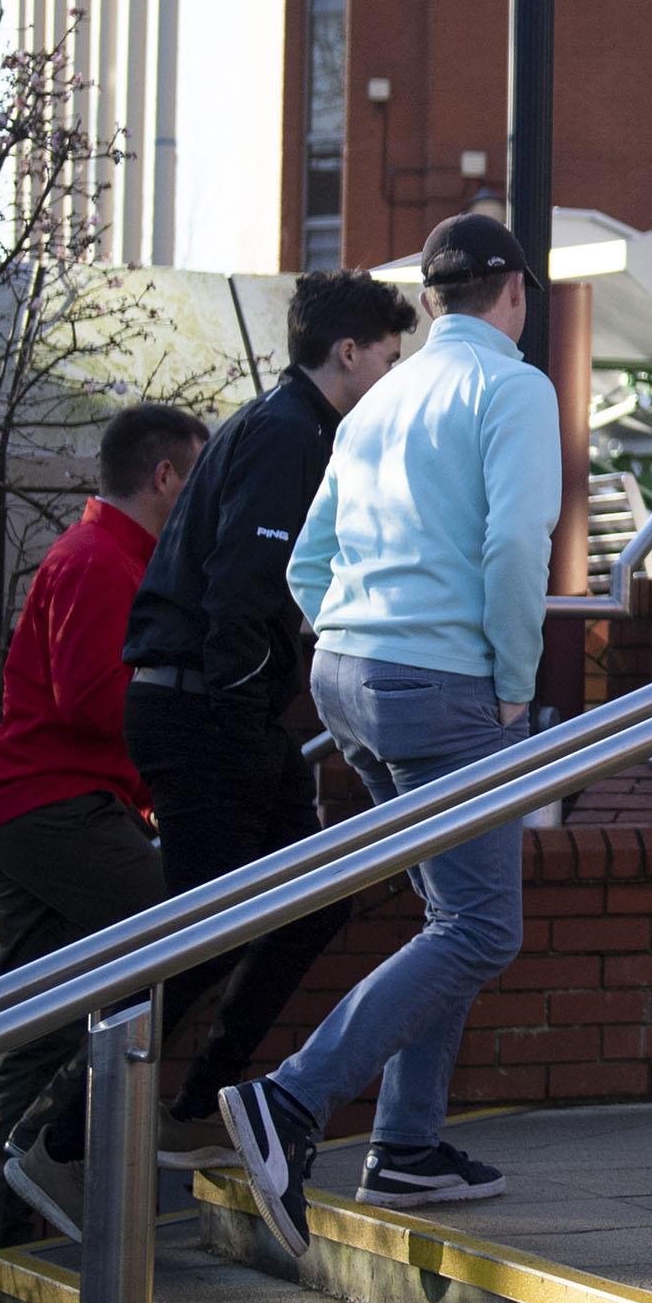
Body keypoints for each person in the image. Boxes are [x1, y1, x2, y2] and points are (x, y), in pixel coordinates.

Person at [218, 213, 562, 1260]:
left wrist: (355, 634)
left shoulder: (385, 391)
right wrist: (512, 681)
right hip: (444, 683)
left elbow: (308, 559)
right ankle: (290, 1100)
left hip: (347, 681)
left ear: (427, 300)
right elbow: (514, 543)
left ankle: (407, 1144)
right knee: (480, 928)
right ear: (513, 293)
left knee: (444, 913)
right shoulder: (512, 387)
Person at [119, 269, 416, 1168]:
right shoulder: (291, 436)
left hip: (217, 706)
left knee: (311, 899)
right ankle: (66, 1127)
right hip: (204, 708)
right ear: (350, 352)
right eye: (390, 359)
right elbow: (245, 592)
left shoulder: (293, 426)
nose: (395, 376)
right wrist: (248, 706)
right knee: (217, 924)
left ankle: (198, 1099)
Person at [0, 401, 208, 1266]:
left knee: (40, 1030)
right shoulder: (104, 560)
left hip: (23, 807)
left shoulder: (99, 552)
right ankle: (47, 1150)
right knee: (179, 945)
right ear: (164, 477)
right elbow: (96, 701)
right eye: (197, 475)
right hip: (53, 807)